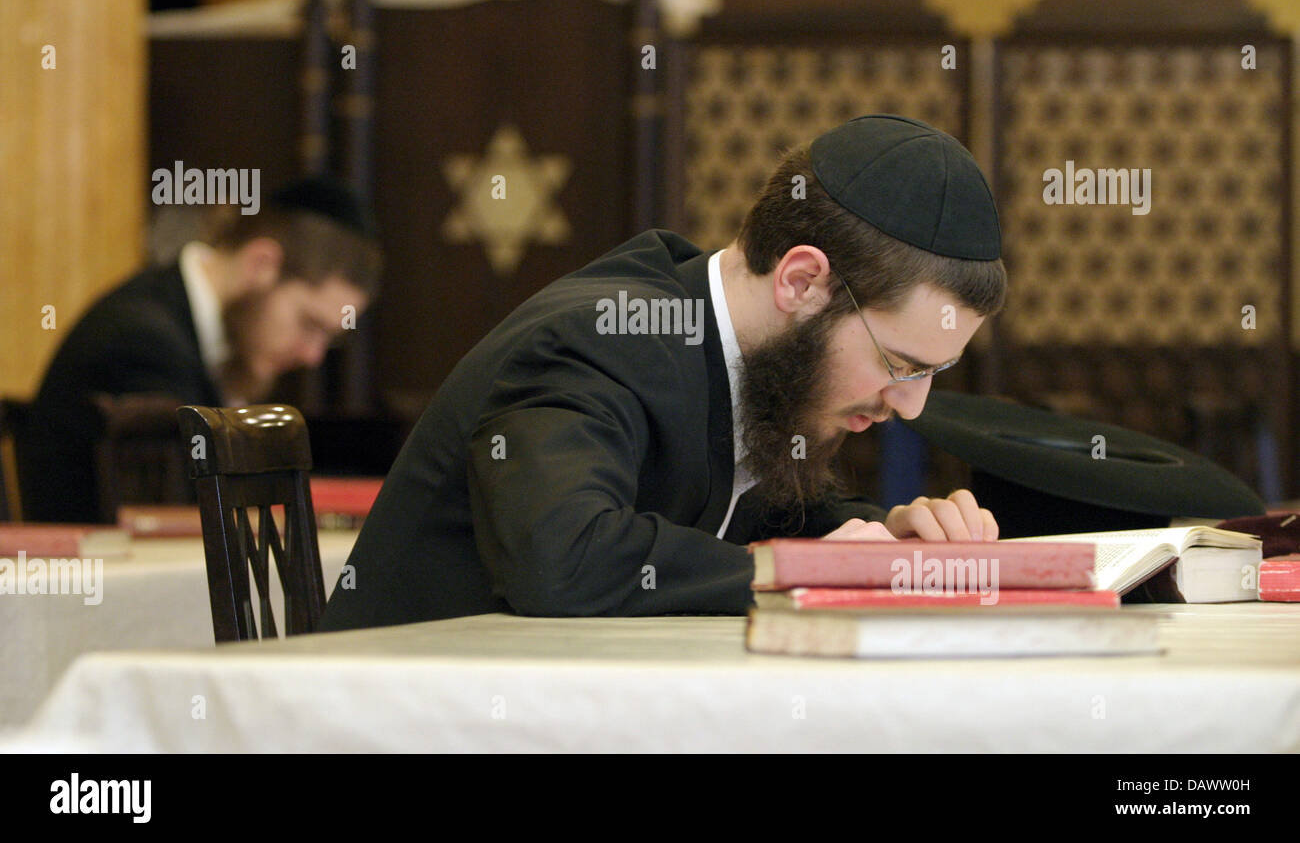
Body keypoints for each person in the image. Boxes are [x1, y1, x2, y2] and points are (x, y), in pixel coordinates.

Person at [320, 115, 1007, 629]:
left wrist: (889, 539)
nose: (911, 407)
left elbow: (744, 519)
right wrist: (811, 570)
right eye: (900, 364)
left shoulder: (737, 355)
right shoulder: (600, 338)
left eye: (934, 372)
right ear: (801, 281)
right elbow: (561, 558)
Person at [19, 177, 383, 522]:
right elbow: (200, 521)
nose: (313, 356)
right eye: (309, 324)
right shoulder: (141, 343)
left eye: (329, 338)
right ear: (260, 264)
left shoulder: (191, 331)